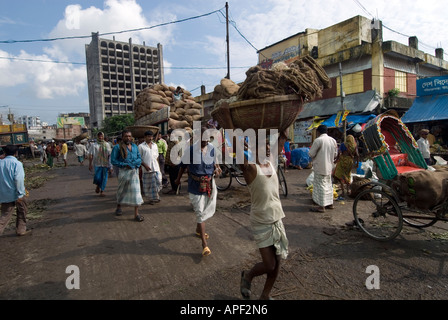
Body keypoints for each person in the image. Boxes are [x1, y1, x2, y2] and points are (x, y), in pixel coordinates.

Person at [218, 103, 289, 300]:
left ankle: (265, 296)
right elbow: (236, 145)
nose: (268, 147)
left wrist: (287, 113)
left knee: (277, 264)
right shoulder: (249, 169)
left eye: (268, 145)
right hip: (261, 220)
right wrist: (227, 120)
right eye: (263, 146)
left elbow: (283, 136)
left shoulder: (271, 164)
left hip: (277, 218)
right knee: (268, 264)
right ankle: (248, 276)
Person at [175, 126, 221, 257]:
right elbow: (183, 167)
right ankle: (204, 245)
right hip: (195, 186)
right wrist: (178, 180)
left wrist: (217, 169)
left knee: (204, 209)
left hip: (208, 185)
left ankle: (198, 230)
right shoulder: (190, 151)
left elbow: (215, 163)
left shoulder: (211, 149)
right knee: (200, 212)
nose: (206, 140)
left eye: (207, 137)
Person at [111, 129, 144, 222]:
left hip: (134, 172)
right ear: (122, 137)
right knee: (122, 190)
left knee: (137, 192)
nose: (128, 138)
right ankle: (118, 206)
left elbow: (139, 158)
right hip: (124, 172)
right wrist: (124, 164)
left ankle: (136, 214)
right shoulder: (117, 147)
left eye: (129, 136)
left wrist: (134, 164)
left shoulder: (134, 146)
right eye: (126, 136)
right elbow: (113, 160)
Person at [0, 145, 31, 236]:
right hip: (17, 193)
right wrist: (20, 194)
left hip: (4, 194)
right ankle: (21, 230)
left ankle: (20, 230)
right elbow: (19, 179)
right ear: (16, 153)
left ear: (4, 153)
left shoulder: (1, 163)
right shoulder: (17, 164)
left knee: (5, 215)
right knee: (22, 211)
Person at [308, 125, 338, 213]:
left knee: (320, 186)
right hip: (329, 166)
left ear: (318, 132)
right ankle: (330, 203)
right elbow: (335, 154)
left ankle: (321, 206)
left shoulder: (318, 140)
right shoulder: (333, 140)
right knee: (328, 185)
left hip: (320, 166)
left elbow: (311, 153)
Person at [138, 130, 162, 204]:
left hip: (155, 167)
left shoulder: (155, 145)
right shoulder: (141, 146)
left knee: (158, 181)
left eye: (151, 137)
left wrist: (159, 167)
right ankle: (152, 199)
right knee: (148, 185)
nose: (150, 138)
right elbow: (139, 158)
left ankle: (155, 196)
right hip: (146, 169)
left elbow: (156, 157)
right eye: (149, 136)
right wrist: (145, 165)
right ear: (145, 137)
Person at [88, 132, 113, 197]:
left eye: (101, 136)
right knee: (97, 178)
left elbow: (109, 155)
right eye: (99, 136)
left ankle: (102, 191)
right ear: (97, 137)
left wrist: (110, 166)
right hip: (97, 164)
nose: (100, 137)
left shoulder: (107, 144)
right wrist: (90, 164)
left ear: (103, 136)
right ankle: (98, 185)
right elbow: (91, 155)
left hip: (105, 164)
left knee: (104, 178)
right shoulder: (94, 145)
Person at [164, 129, 182, 195]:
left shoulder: (176, 141)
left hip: (175, 163)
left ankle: (176, 189)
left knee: (176, 176)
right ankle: (174, 189)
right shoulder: (170, 141)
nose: (170, 135)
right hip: (170, 163)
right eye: (169, 134)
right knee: (172, 176)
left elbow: (180, 153)